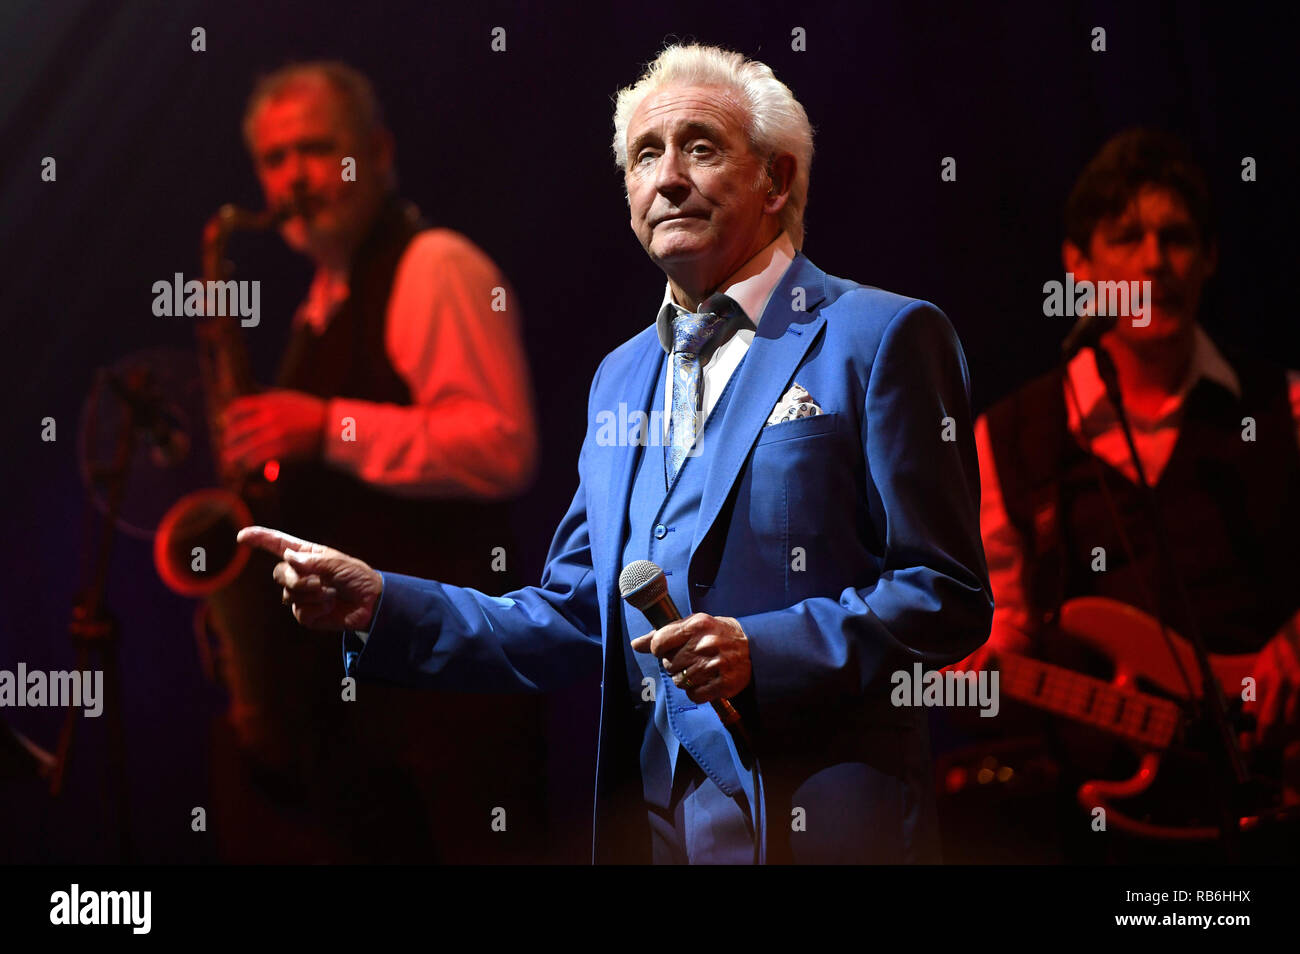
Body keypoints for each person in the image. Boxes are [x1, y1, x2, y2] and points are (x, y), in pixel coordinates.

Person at [241, 44, 991, 864]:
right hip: (655, 829)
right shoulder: (620, 378)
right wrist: (382, 603)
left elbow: (945, 594)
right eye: (644, 155)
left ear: (776, 180)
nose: (667, 178)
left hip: (824, 825)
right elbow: (572, 615)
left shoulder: (877, 335)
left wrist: (762, 649)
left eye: (700, 147)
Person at [209, 61, 545, 863]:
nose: (294, 179)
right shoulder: (321, 301)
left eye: (318, 150)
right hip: (362, 714)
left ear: (378, 150)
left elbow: (501, 447)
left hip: (444, 712)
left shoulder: (435, 266)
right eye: (275, 159)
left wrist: (326, 428)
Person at [962, 128, 1300, 860]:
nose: (1155, 261)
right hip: (1104, 818)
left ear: (1209, 258)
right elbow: (1009, 628)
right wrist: (966, 663)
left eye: (1177, 238)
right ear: (1079, 268)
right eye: (1126, 238)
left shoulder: (1285, 407)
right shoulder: (1014, 434)